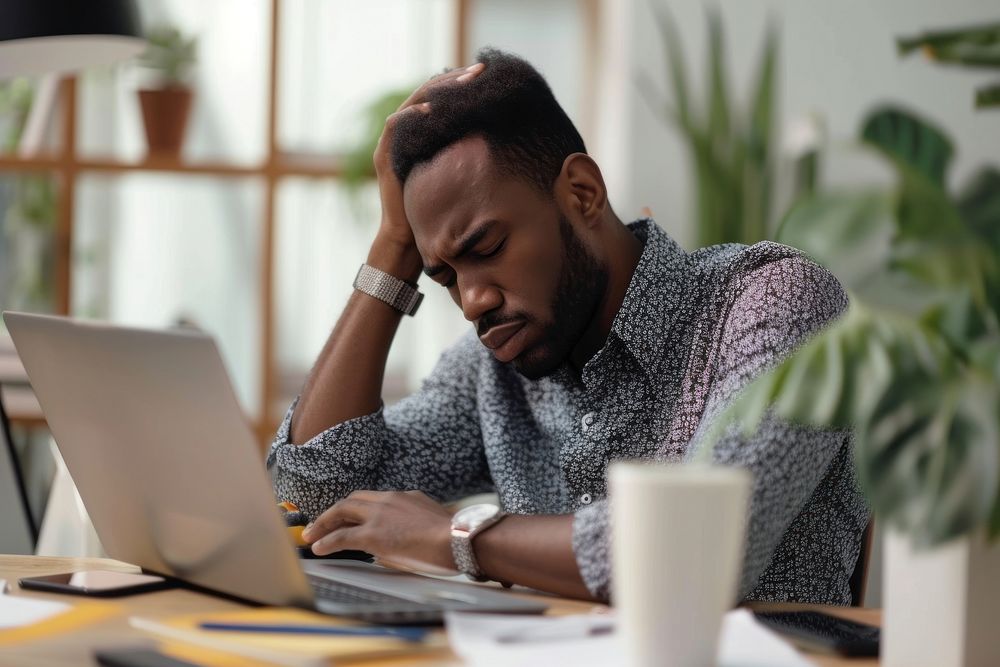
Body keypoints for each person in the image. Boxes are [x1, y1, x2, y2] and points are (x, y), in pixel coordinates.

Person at [267, 48, 869, 605]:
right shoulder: (495, 366)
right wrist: (394, 247)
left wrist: (459, 536)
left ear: (582, 193)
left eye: (487, 247)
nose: (472, 301)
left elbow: (696, 552)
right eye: (445, 275)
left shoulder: (775, 304)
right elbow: (314, 500)